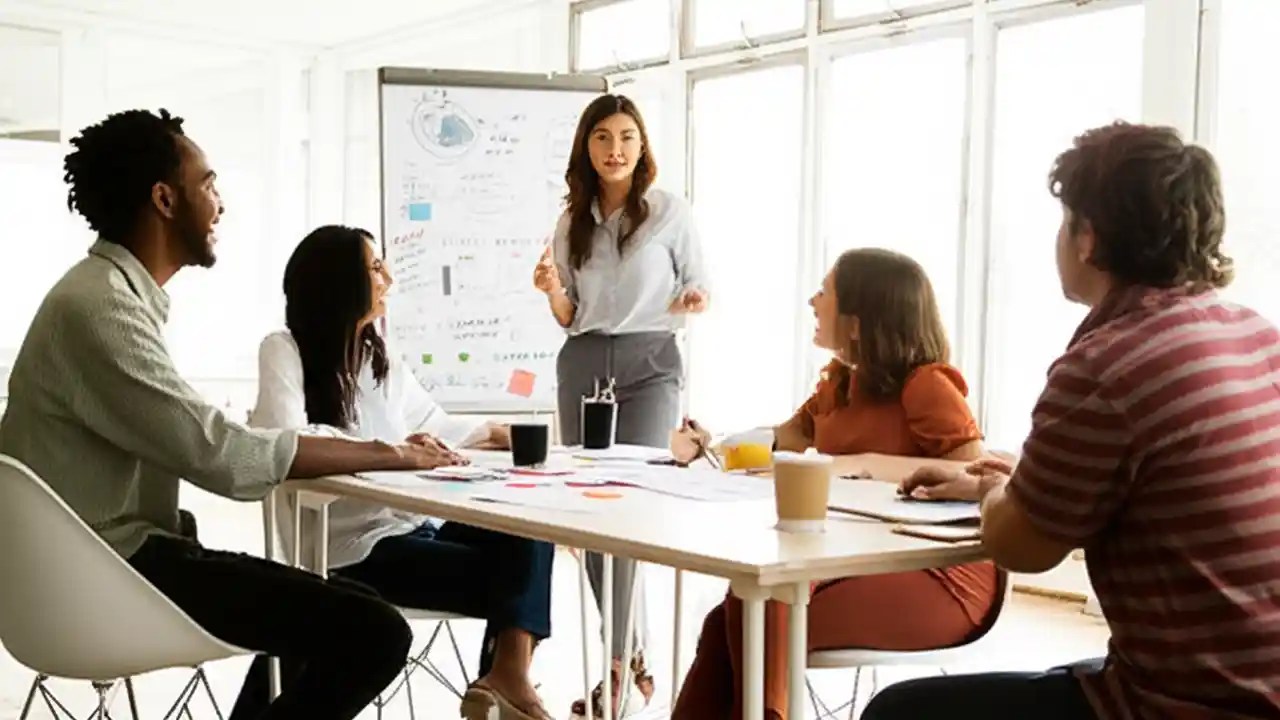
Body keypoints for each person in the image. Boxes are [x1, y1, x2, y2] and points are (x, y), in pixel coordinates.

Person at [0, 109, 464, 720]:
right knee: (374, 631)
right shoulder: (100, 309)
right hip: (106, 575)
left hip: (110, 563)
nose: (220, 204)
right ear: (165, 199)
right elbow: (220, 455)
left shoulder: (106, 297)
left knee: (345, 602)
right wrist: (393, 454)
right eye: (209, 185)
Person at [865, 122, 1280, 719]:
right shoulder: (1251, 333)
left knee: (902, 713)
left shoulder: (1109, 364)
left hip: (1191, 704)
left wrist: (1002, 495)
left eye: (1064, 222)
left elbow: (1019, 548)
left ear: (1087, 237)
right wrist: (1015, 482)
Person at [668, 248, 1000, 720]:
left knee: (756, 615)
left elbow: (975, 475)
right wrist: (708, 442)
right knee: (736, 613)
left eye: (825, 291)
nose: (812, 301)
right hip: (854, 560)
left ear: (858, 319)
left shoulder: (926, 386)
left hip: (942, 576)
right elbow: (780, 440)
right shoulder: (840, 384)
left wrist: (864, 463)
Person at [250, 224, 554, 720]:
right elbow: (285, 438)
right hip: (348, 551)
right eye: (374, 266)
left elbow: (431, 424)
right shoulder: (284, 350)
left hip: (410, 527)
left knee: (528, 522)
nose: (388, 276)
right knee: (514, 581)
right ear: (337, 280)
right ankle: (507, 683)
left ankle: (507, 677)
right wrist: (388, 451)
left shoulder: (376, 355)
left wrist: (493, 431)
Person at [532, 93, 709, 718]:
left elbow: (700, 285)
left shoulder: (668, 212)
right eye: (603, 137)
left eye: (628, 137)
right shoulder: (569, 224)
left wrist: (690, 300)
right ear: (587, 147)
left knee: (629, 511)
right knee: (590, 519)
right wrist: (553, 290)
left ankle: (617, 669)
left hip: (651, 363)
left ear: (642, 145)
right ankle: (630, 658)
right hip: (582, 362)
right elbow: (570, 317)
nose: (616, 149)